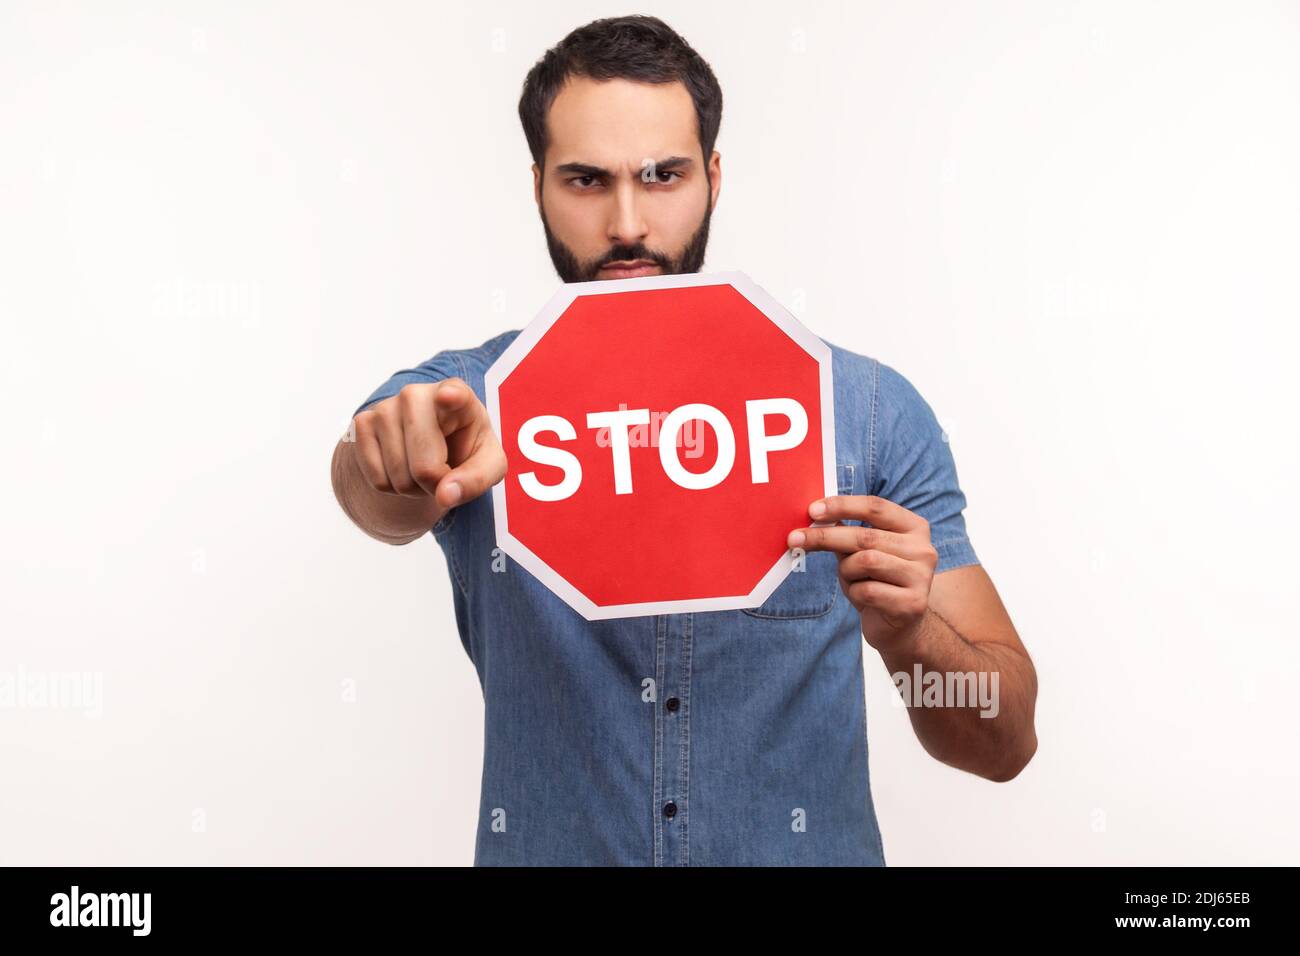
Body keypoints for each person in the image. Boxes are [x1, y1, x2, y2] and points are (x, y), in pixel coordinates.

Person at [331, 14, 1037, 866]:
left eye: (663, 176)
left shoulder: (867, 411)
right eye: (587, 181)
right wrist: (399, 465)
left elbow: (1004, 745)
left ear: (712, 178)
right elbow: (375, 493)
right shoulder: (467, 403)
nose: (628, 225)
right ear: (538, 188)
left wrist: (912, 636)